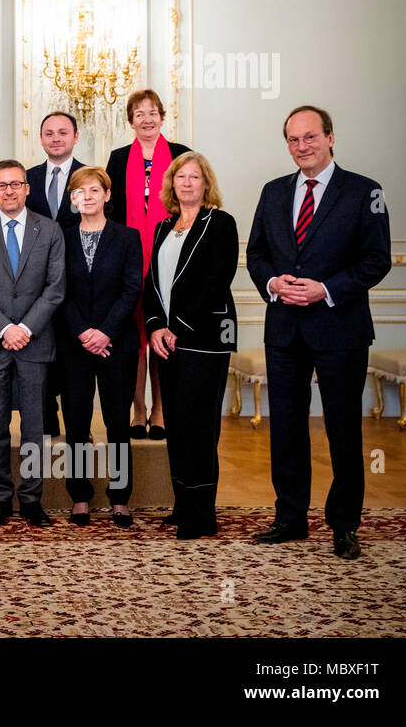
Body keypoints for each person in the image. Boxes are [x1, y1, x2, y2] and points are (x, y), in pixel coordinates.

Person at [246, 105, 391, 560]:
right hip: (285, 330)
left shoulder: (365, 191)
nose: (301, 146)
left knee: (343, 428)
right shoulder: (272, 193)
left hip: (340, 329)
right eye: (293, 139)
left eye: (310, 137)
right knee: (285, 428)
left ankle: (344, 524)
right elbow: (256, 255)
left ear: (330, 137)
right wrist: (273, 283)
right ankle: (290, 518)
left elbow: (376, 260)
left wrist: (325, 289)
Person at [0, 159, 66, 528]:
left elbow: (55, 289)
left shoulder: (50, 230)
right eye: (1, 185)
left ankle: (32, 498)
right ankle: (1, 498)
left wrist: (25, 328)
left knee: (34, 428)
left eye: (15, 184)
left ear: (27, 188)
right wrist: (5, 328)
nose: (8, 190)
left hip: (35, 343)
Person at [143, 152, 238, 539]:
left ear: (206, 184)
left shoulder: (220, 223)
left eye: (194, 177)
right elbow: (152, 282)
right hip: (167, 341)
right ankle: (183, 504)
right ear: (171, 184)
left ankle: (202, 515)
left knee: (199, 428)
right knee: (177, 426)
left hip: (203, 340)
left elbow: (216, 280)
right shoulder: (164, 227)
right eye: (180, 177)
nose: (186, 183)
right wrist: (154, 327)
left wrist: (176, 327)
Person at [56, 167, 142, 527]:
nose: (87, 197)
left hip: (116, 343)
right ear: (72, 200)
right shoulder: (61, 238)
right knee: (76, 423)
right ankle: (79, 495)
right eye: (80, 192)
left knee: (117, 422)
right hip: (75, 345)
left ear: (108, 195)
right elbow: (60, 290)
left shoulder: (128, 237)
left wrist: (104, 332)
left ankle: (120, 497)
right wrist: (83, 332)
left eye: (95, 190)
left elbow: (131, 288)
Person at [104, 89, 190, 442]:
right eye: (139, 113)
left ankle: (161, 411)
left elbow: (192, 201)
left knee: (162, 336)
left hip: (172, 258)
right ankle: (138, 410)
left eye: (153, 112)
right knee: (134, 341)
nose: (147, 118)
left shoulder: (183, 156)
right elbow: (111, 212)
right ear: (131, 121)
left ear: (162, 116)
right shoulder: (119, 157)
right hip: (131, 261)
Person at [26, 111, 86, 439]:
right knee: (40, 353)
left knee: (73, 354)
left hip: (78, 280)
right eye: (49, 133)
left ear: (75, 137)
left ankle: (78, 427)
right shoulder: (27, 179)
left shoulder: (89, 177)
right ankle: (46, 421)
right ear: (41, 138)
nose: (56, 138)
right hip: (35, 283)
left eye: (63, 132)